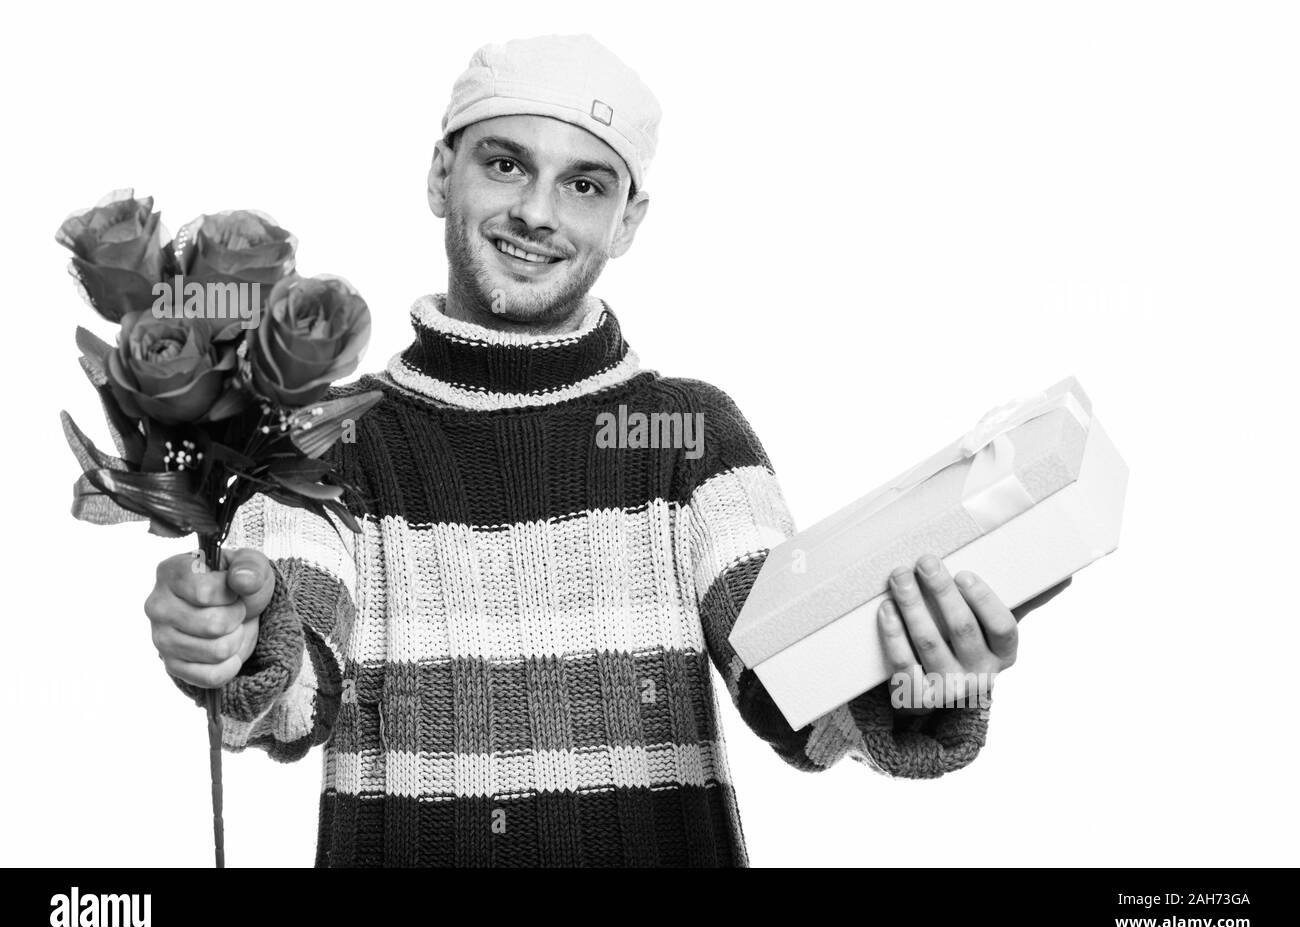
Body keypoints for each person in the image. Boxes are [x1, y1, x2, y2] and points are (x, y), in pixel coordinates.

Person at [144, 34, 1055, 867]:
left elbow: (792, 690)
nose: (537, 212)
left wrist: (916, 676)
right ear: (439, 174)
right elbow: (295, 692)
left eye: (585, 184)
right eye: (506, 165)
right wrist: (238, 637)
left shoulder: (685, 434)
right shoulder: (326, 434)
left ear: (627, 219)